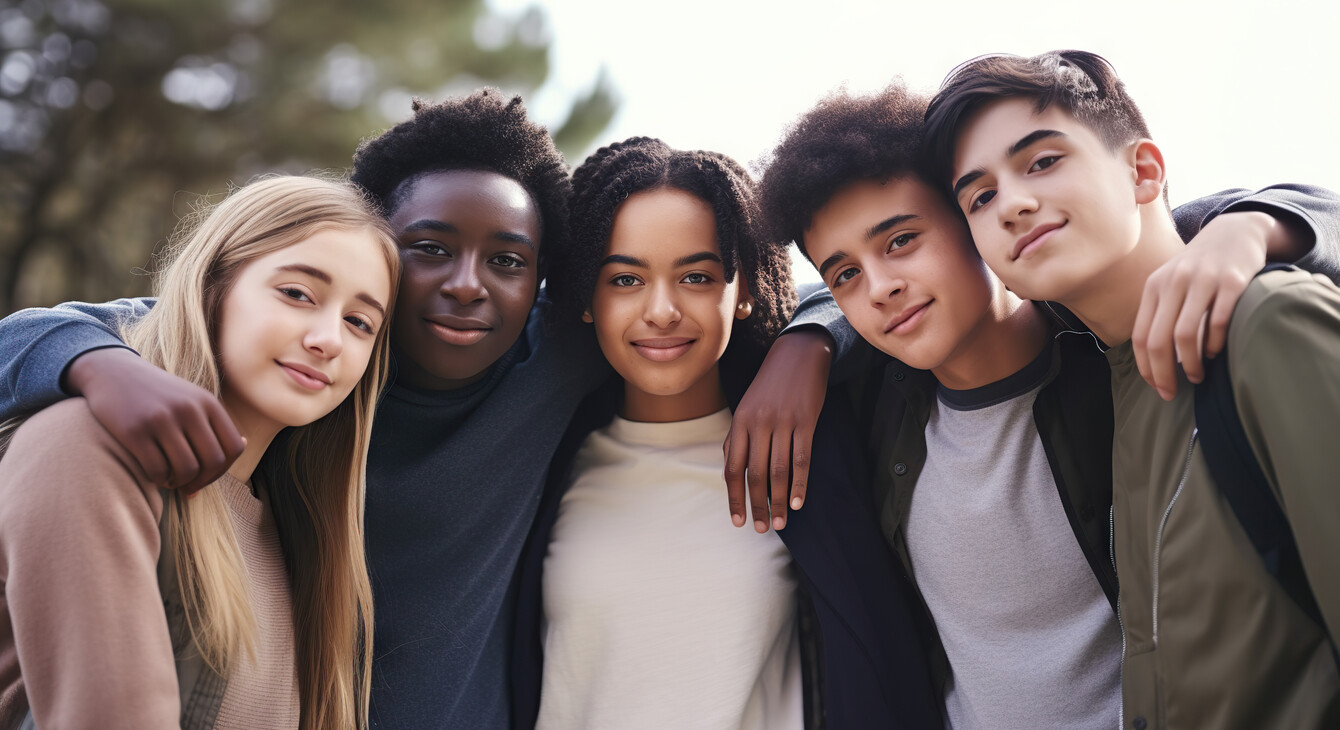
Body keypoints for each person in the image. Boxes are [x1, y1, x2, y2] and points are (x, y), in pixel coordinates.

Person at [0, 89, 832, 729]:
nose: (468, 284)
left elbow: (785, 291)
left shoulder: (557, 354)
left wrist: (809, 341)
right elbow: (75, 328)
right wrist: (97, 364)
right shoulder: (307, 363)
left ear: (546, 284)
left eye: (507, 260)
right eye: (427, 250)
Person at [751, 79, 1340, 728]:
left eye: (901, 241)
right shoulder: (868, 413)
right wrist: (805, 336)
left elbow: (1174, 229)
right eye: (846, 275)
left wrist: (1256, 223)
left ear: (976, 223)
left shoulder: (1113, 351)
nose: (881, 288)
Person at [923, 49, 1340, 728]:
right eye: (981, 196)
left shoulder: (1266, 326)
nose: (1014, 205)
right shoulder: (1103, 382)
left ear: (1142, 171)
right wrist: (808, 343)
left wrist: (1257, 221)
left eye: (1043, 161)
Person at [511, 137, 939, 729]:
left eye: (696, 276)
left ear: (744, 292)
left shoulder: (813, 439)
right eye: (625, 281)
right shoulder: (540, 446)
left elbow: (862, 299)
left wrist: (808, 341)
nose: (661, 310)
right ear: (586, 294)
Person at [0, 175, 399, 729]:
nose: (328, 338)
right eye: (297, 293)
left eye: (360, 322)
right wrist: (97, 359)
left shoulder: (297, 532)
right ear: (213, 286)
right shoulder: (88, 445)